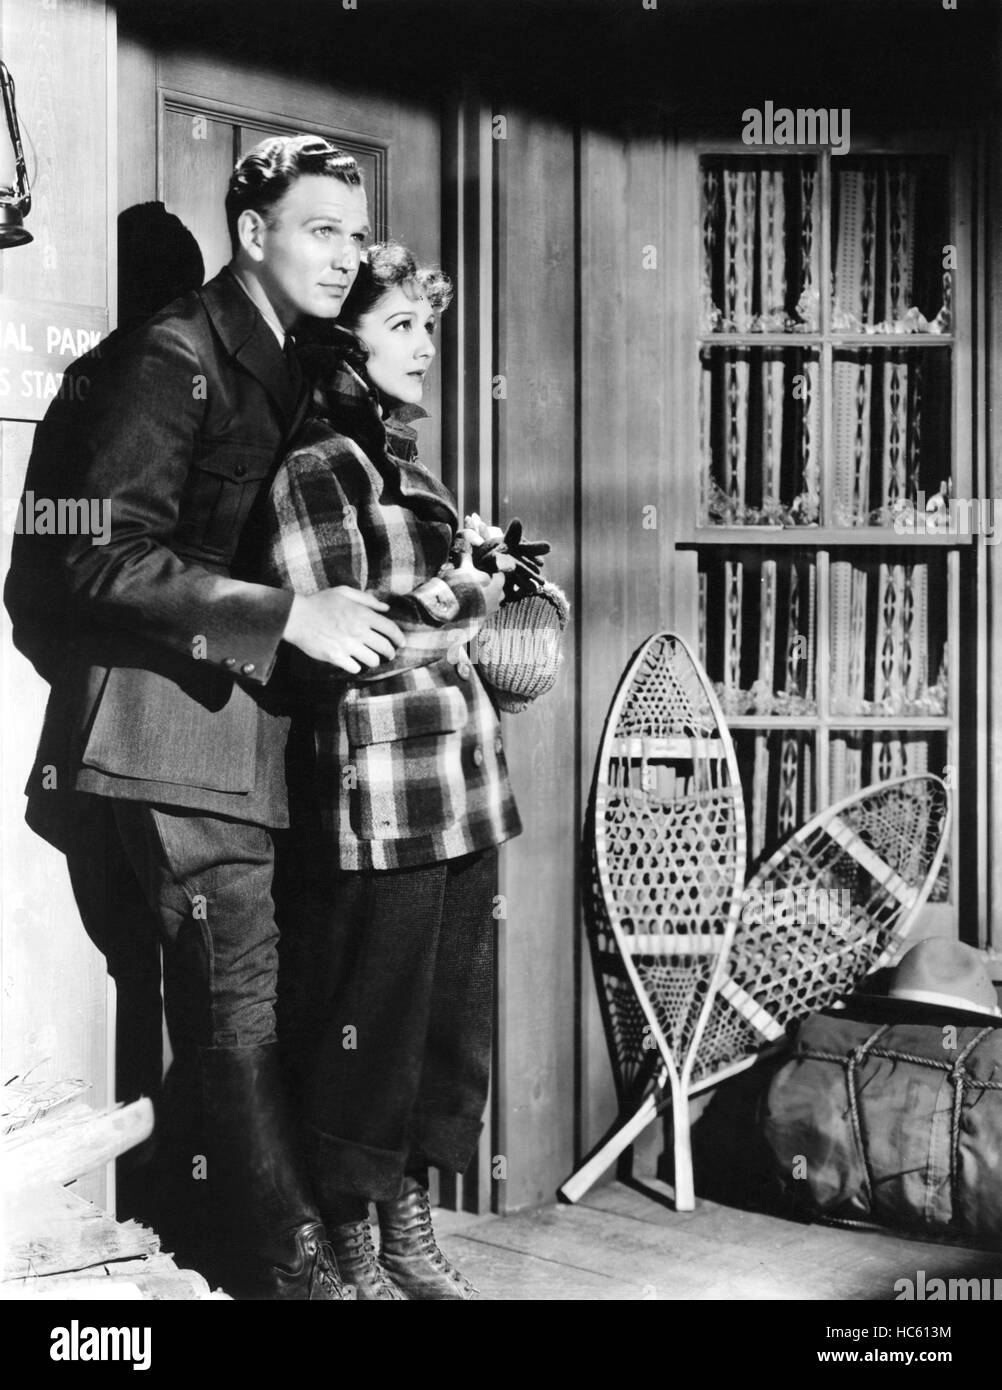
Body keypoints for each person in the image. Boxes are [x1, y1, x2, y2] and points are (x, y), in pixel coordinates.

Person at [5, 134, 405, 1300]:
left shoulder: (297, 358)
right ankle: (294, 1280)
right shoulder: (170, 350)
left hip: (247, 738)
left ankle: (301, 1255)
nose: (346, 256)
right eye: (320, 229)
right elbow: (84, 558)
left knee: (269, 1004)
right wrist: (284, 617)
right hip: (164, 733)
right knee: (235, 1010)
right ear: (251, 232)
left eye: (355, 234)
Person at [264, 243, 537, 1299]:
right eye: (403, 327)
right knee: (365, 1036)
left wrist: (472, 581)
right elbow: (354, 632)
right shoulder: (314, 466)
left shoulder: (411, 470)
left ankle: (407, 1228)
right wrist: (467, 594)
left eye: (431, 325)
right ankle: (347, 1243)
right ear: (345, 341)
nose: (428, 347)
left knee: (441, 1036)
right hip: (380, 804)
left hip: (464, 796)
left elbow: (428, 609)